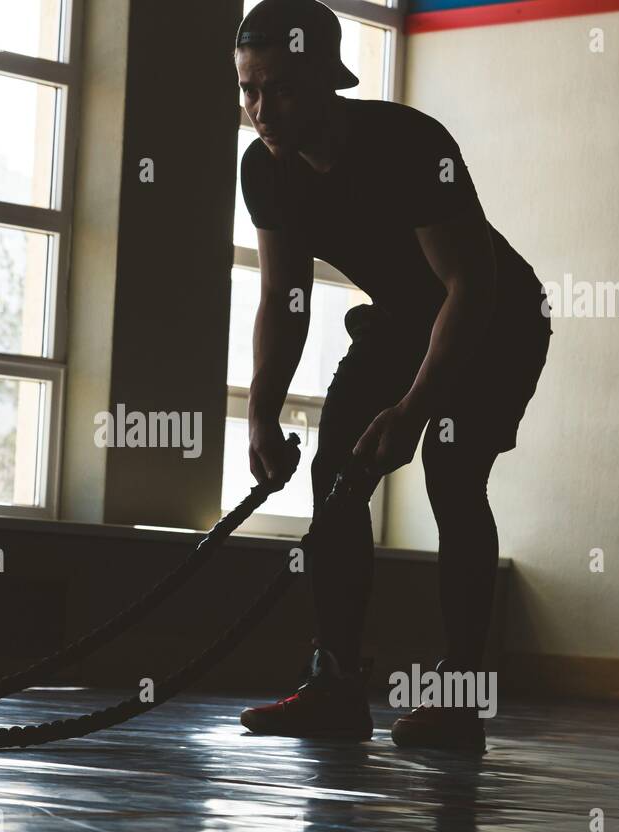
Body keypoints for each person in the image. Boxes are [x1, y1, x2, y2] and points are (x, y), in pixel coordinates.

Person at [234, 0, 552, 750]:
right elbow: (283, 296)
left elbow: (469, 287)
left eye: (281, 89)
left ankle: (459, 697)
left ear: (327, 80)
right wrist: (260, 413)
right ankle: (336, 685)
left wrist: (413, 410)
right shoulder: (265, 169)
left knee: (452, 473)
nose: (261, 110)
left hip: (496, 319)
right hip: (404, 320)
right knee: (335, 474)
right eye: (248, 90)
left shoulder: (409, 143)